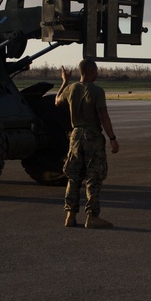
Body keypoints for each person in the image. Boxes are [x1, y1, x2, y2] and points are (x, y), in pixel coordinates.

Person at [54, 59, 119, 229]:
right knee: (93, 176)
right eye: (96, 70)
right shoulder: (97, 91)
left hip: (75, 136)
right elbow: (103, 116)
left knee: (74, 176)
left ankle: (70, 215)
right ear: (90, 71)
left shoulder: (71, 88)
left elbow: (57, 101)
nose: (97, 73)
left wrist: (64, 82)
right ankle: (92, 216)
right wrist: (112, 138)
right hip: (92, 136)